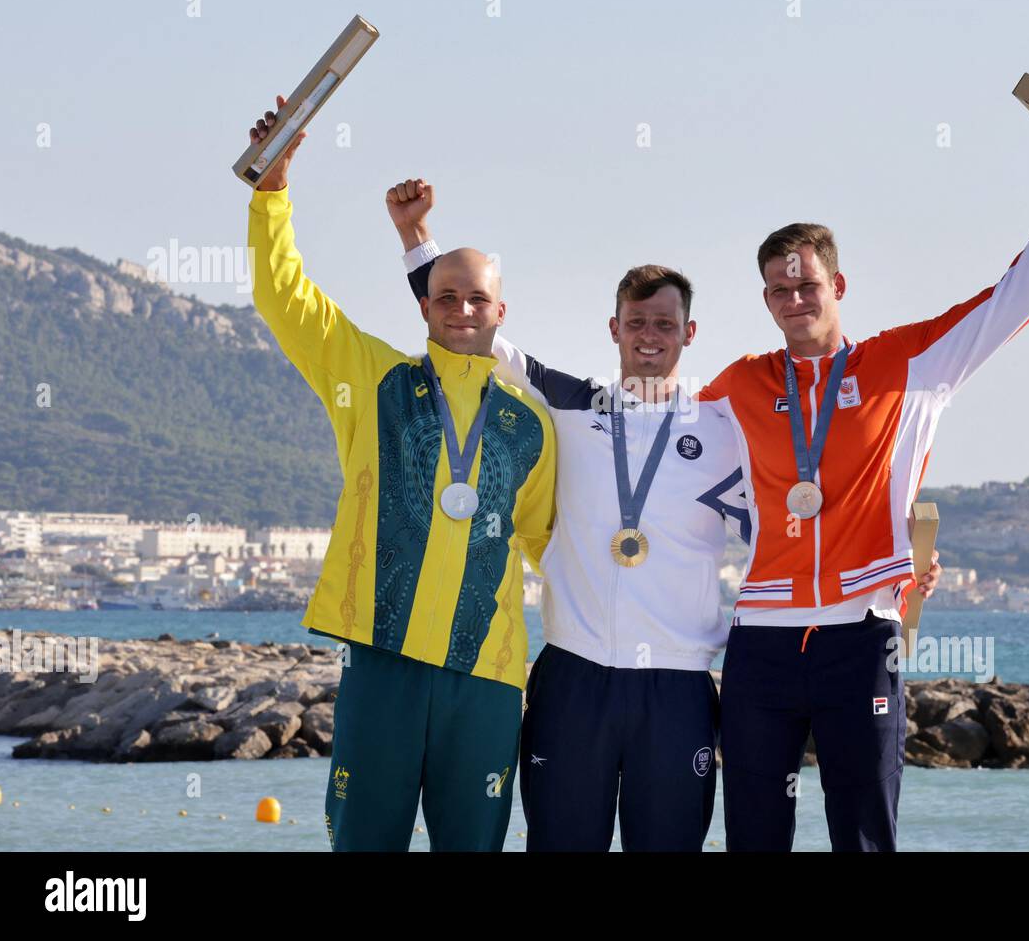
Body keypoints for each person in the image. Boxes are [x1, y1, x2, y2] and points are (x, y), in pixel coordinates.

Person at [385, 178, 943, 851]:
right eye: (637, 322)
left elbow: (800, 516)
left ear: (690, 332)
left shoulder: (724, 424)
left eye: (665, 324)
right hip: (574, 675)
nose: (650, 337)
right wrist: (418, 237)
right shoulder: (566, 403)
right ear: (613, 327)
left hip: (679, 686)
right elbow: (472, 328)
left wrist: (898, 564)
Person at [698, 127, 1029, 851]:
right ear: (766, 298)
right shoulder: (740, 384)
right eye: (781, 290)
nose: (796, 299)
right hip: (759, 642)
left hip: (862, 638)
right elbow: (652, 438)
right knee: (754, 838)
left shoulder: (911, 363)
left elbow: (1020, 294)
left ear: (839, 286)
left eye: (809, 285)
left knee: (864, 836)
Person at [244, 97, 556, 852]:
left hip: (485, 677)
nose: (460, 309)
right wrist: (272, 191)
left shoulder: (529, 422)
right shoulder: (373, 380)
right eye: (445, 296)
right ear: (425, 305)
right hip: (382, 660)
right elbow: (284, 299)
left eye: (476, 298)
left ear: (500, 310)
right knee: (363, 843)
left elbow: (553, 548)